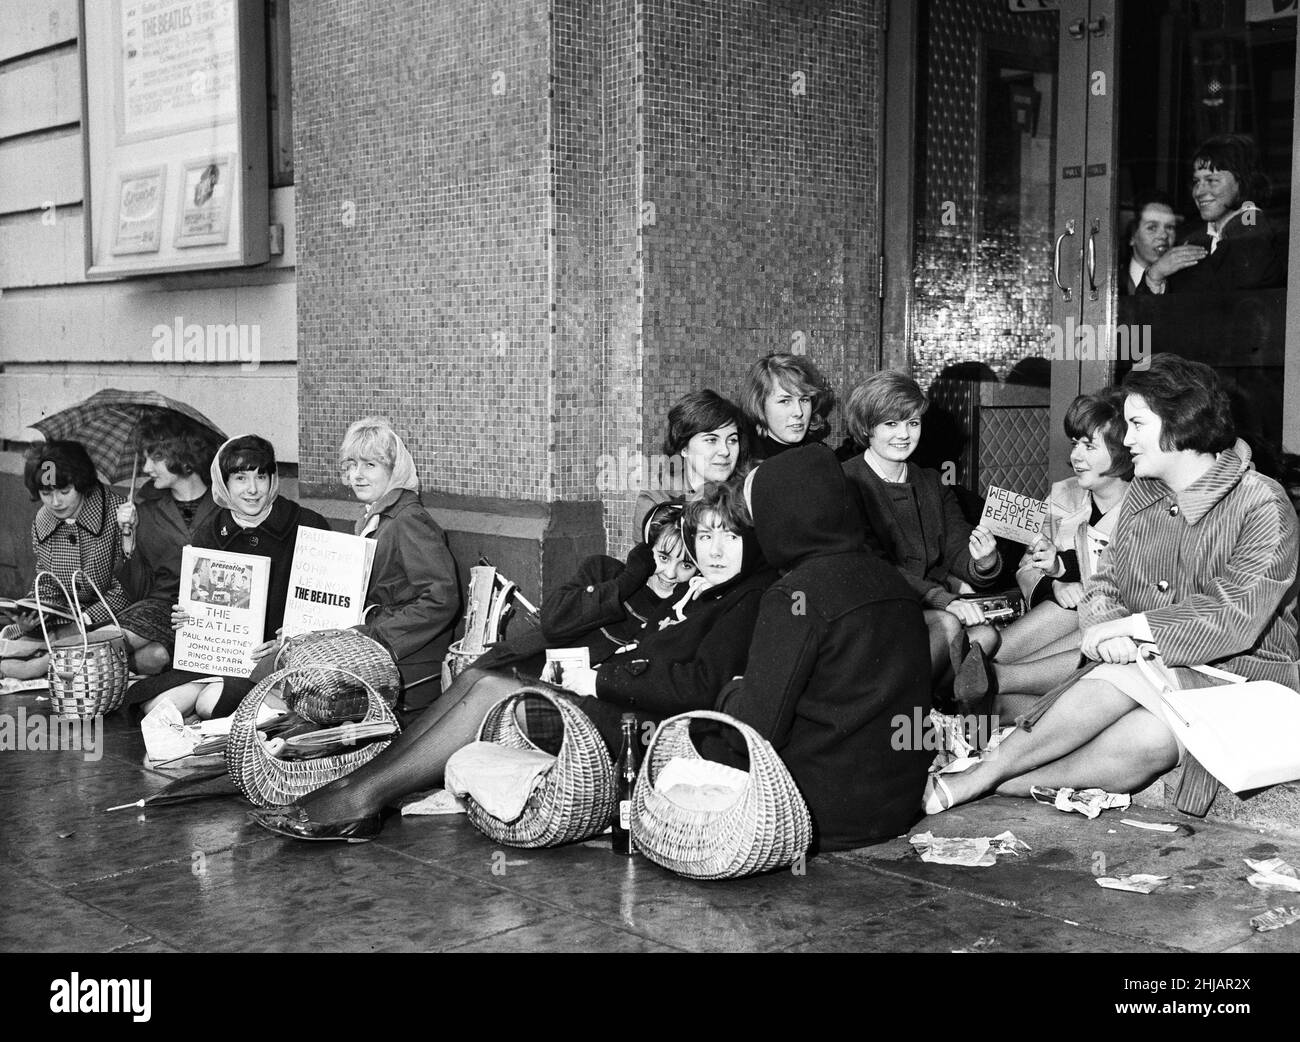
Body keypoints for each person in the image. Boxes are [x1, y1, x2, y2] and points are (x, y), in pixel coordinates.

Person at [250, 482, 772, 841]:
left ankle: (360, 798)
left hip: (641, 728)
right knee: (485, 682)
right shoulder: (703, 594)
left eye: (728, 536)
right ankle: (358, 792)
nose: (713, 550)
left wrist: (599, 675)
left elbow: (697, 685)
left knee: (496, 689)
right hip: (614, 704)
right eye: (705, 536)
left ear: (749, 540)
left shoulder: (741, 599)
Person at [925, 354, 1299, 817]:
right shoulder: (1145, 492)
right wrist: (1112, 625)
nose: (1127, 439)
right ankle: (990, 770)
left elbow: (1236, 614)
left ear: (1179, 424)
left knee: (1141, 720)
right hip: (1153, 668)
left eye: (1137, 424)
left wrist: (1137, 629)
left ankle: (999, 777)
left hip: (1245, 674)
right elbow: (1104, 584)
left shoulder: (1262, 502)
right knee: (1135, 710)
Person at [704, 445, 932, 851]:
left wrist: (729, 693)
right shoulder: (893, 581)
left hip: (817, 815)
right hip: (894, 809)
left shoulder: (794, 595)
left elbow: (752, 734)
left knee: (698, 745)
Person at [954, 390, 1133, 714]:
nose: (1075, 456)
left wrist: (1070, 575)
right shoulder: (1063, 495)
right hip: (1058, 613)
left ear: (1122, 450)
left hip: (1113, 626)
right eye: (1075, 442)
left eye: (1089, 446)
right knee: (1071, 608)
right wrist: (1056, 583)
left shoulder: (1145, 508)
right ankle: (978, 685)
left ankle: (986, 689)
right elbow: (1028, 564)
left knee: (1088, 610)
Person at [129, 436, 331, 720]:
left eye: (261, 476)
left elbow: (328, 607)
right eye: (240, 478)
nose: (252, 489)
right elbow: (198, 599)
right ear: (223, 483)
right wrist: (187, 617)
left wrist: (291, 637)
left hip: (278, 660)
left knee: (208, 705)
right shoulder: (210, 531)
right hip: (221, 656)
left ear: (273, 479)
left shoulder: (308, 525)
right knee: (158, 709)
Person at [842, 371, 1001, 688]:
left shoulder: (930, 481)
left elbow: (957, 545)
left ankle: (928, 709)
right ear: (866, 428)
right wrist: (942, 598)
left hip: (929, 606)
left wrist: (982, 560)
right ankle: (890, 708)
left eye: (912, 423)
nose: (903, 434)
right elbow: (872, 566)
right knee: (948, 626)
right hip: (875, 607)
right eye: (891, 424)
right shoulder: (845, 482)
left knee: (987, 636)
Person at [339, 418, 460, 708]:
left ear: (394, 470)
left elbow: (441, 598)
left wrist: (378, 636)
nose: (358, 475)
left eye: (370, 465)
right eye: (352, 465)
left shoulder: (407, 520)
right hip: (384, 649)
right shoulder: (378, 517)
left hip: (409, 662)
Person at [1, 442, 129, 680]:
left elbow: (126, 589)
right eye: (46, 493)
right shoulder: (43, 519)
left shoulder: (118, 515)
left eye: (64, 491)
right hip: (64, 620)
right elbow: (47, 582)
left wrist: (85, 620)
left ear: (81, 483)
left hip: (111, 616)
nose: (55, 502)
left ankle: (40, 665)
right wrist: (31, 614)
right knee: (17, 638)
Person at [114, 412, 222, 675]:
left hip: (209, 617)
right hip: (160, 606)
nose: (146, 468)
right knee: (120, 641)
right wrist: (129, 538)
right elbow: (137, 590)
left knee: (155, 655)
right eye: (147, 457)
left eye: (156, 457)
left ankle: (60, 663)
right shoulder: (146, 509)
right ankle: (47, 662)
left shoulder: (224, 505)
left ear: (182, 455)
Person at [1138, 135, 1286, 295]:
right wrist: (1155, 276)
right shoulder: (1192, 239)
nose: (1198, 192)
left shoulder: (1259, 230)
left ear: (1242, 182)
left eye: (1212, 180)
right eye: (1196, 182)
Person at [631, 390, 746, 535]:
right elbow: (645, 557)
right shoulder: (656, 500)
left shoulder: (749, 492)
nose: (725, 451)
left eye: (732, 440)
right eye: (711, 440)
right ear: (683, 448)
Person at [738, 352, 851, 461]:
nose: (799, 412)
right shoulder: (742, 459)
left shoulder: (821, 457)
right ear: (759, 405)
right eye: (785, 401)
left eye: (804, 400)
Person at [1120, 192, 1178, 295]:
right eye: (1152, 227)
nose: (1163, 235)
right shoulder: (1113, 280)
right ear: (1132, 235)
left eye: (1169, 227)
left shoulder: (1185, 283)